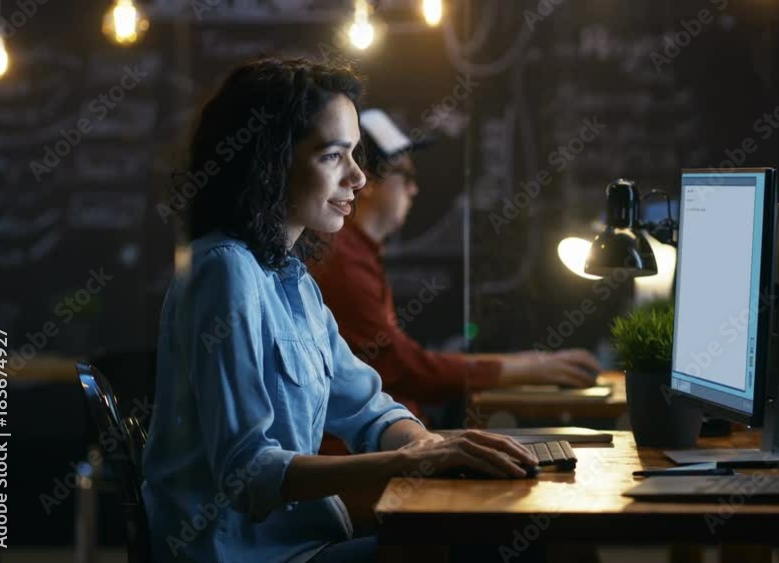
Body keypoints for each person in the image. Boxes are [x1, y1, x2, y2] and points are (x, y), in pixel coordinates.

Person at [142, 58, 539, 563]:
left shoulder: (293, 281)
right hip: (257, 557)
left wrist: (423, 448)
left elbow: (368, 408)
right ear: (269, 162)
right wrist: (411, 461)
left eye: (355, 154)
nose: (358, 176)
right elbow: (248, 473)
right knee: (506, 545)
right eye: (334, 156)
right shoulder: (223, 272)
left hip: (304, 547)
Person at [310, 109, 601, 421]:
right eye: (406, 175)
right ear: (366, 180)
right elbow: (402, 367)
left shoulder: (355, 251)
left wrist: (526, 364)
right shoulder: (342, 260)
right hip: (362, 456)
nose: (414, 190)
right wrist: (530, 368)